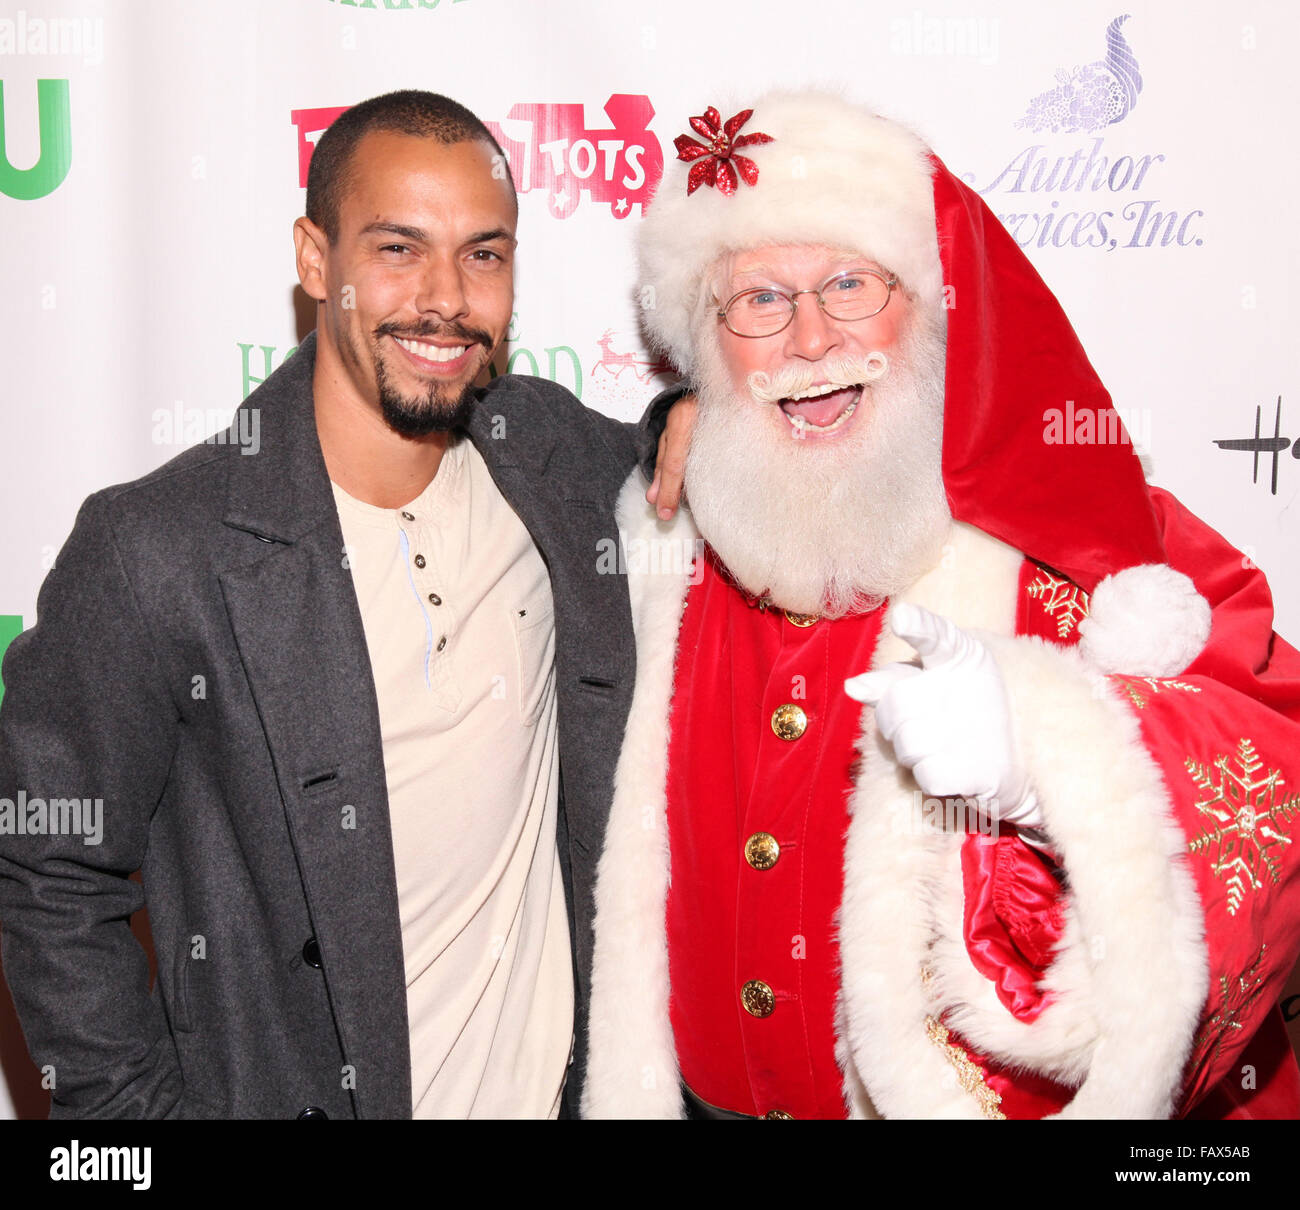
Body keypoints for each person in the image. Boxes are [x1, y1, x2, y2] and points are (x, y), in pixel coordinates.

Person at [581, 91, 1300, 1119]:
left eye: (849, 284)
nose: (811, 338)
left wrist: (1047, 759)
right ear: (707, 342)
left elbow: (1272, 752)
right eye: (759, 301)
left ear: (932, 305)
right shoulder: (654, 533)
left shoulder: (1082, 530)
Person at [0, 89, 689, 1119]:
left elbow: (691, 451)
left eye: (483, 254)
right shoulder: (159, 548)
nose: (445, 300)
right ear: (316, 260)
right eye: (398, 249)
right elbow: (47, 868)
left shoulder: (553, 462)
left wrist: (687, 411)